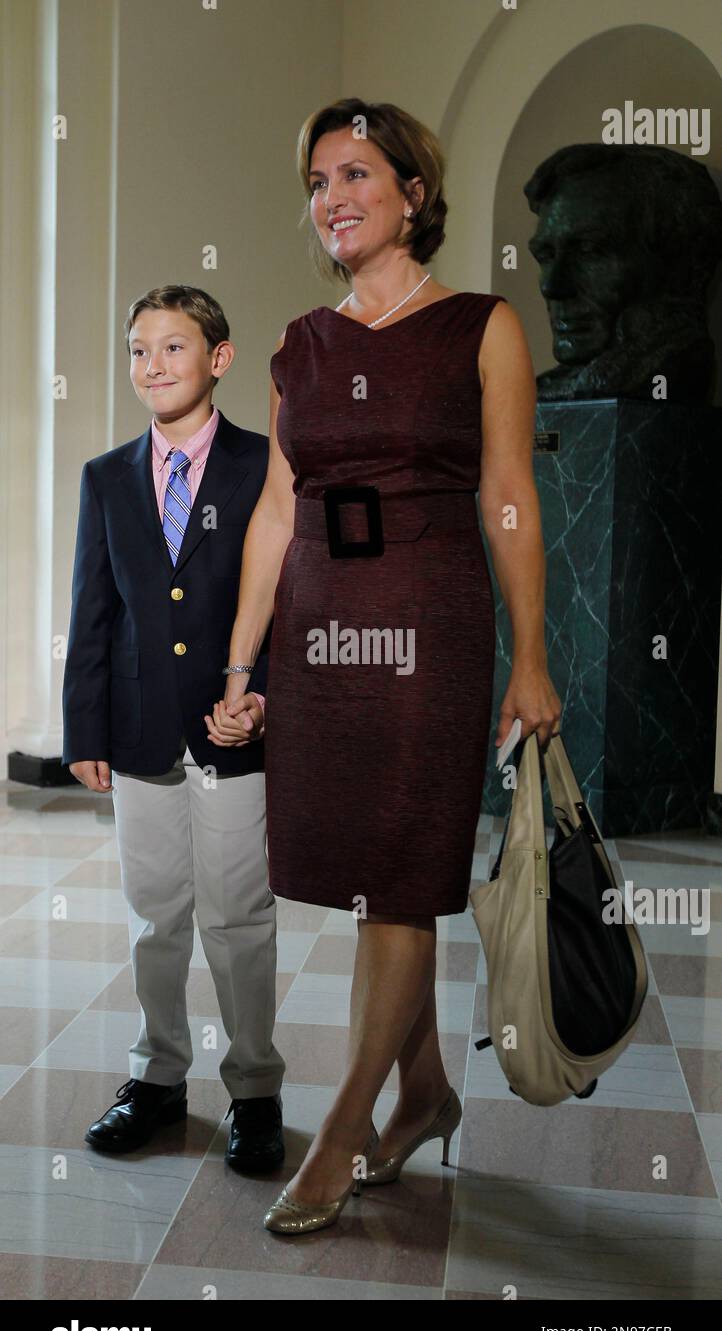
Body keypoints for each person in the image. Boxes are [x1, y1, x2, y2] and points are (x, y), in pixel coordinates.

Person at [206, 99, 562, 1235]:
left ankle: (345, 1125)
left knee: (401, 875)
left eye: (356, 174)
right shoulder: (294, 344)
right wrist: (240, 657)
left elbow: (506, 493)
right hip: (316, 634)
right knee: (357, 868)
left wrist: (533, 658)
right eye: (317, 181)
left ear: (413, 193)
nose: (333, 199)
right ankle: (424, 1092)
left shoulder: (479, 325)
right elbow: (273, 508)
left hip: (428, 621)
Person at [62, 284, 285, 1173]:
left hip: (234, 734)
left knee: (238, 916)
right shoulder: (106, 477)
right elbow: (94, 611)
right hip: (141, 730)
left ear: (219, 359)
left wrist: (262, 694)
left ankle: (256, 1091)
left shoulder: (267, 468)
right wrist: (87, 728)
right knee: (155, 918)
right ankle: (156, 1078)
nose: (153, 366)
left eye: (174, 348)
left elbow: (290, 603)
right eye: (139, 350)